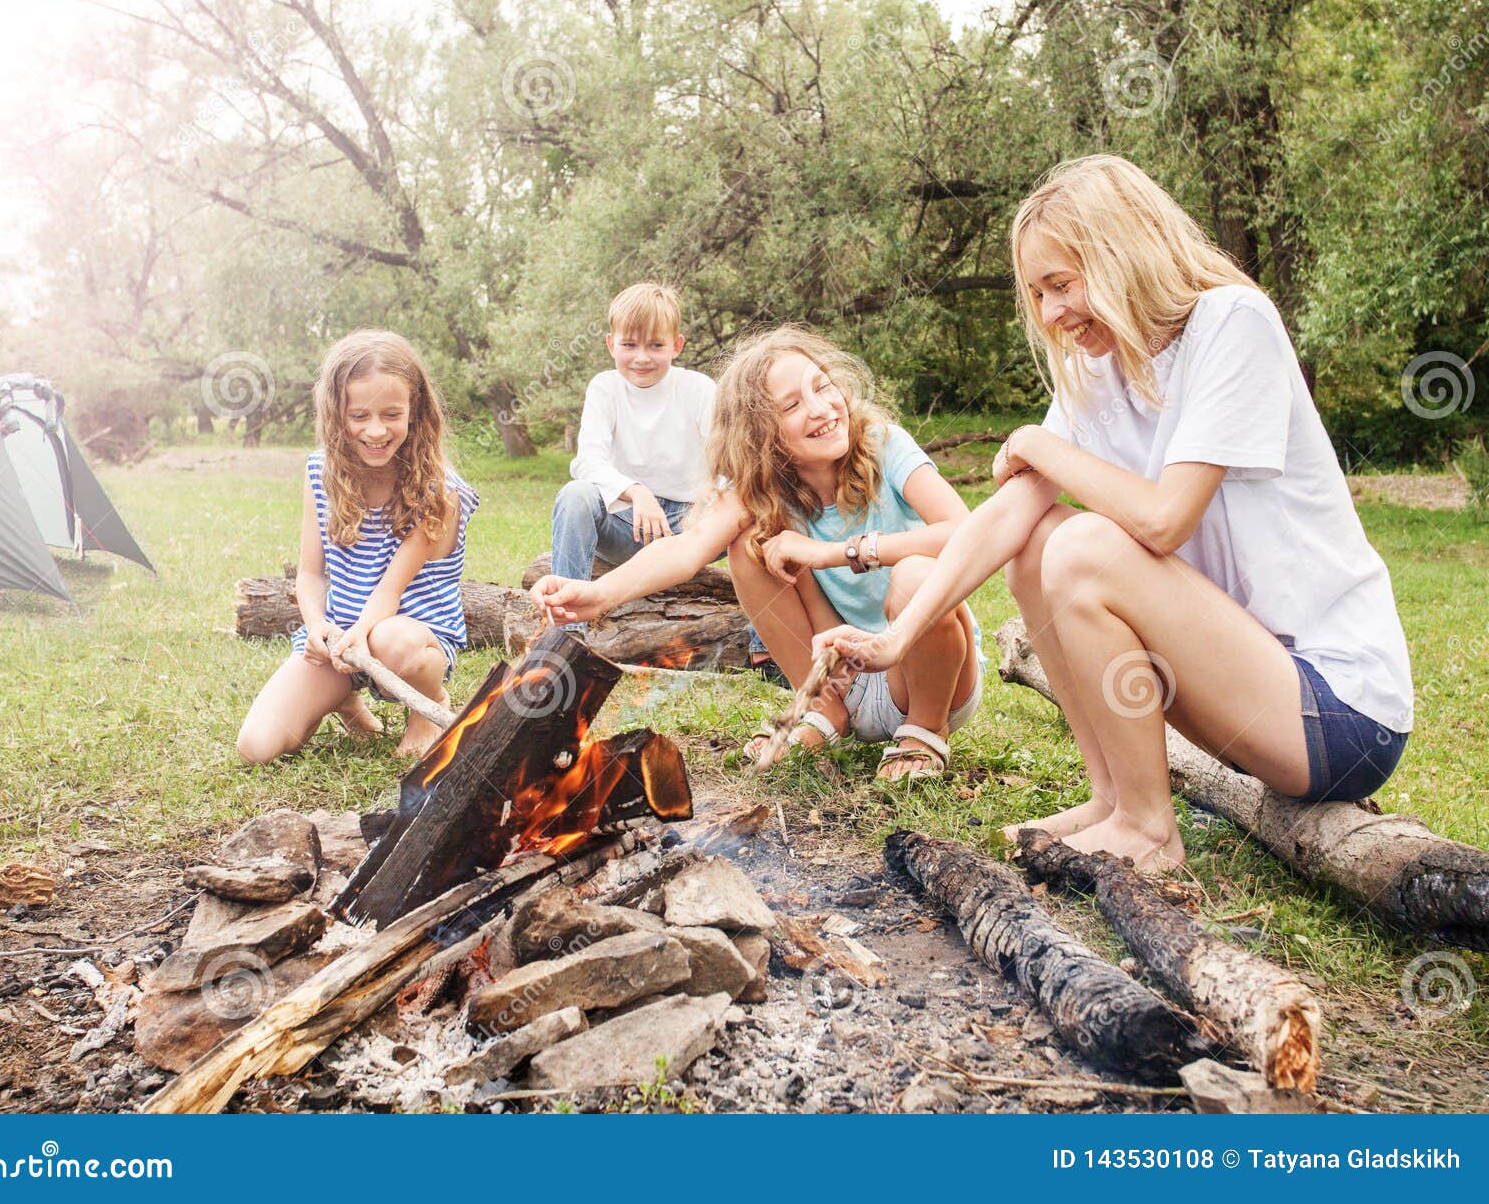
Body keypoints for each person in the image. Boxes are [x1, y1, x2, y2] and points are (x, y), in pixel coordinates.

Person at [815, 154, 1413, 871]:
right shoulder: (1101, 371)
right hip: (1244, 688)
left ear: (1121, 254)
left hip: (1338, 713)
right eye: (1037, 294)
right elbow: (1005, 518)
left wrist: (1038, 442)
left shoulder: (1232, 321)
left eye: (1062, 285)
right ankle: (1112, 800)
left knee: (1082, 547)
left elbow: (1165, 519)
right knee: (1037, 539)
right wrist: (897, 636)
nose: (1051, 315)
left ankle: (1148, 829)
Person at [534, 325, 984, 783]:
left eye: (822, 385)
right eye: (791, 405)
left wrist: (834, 552)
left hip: (925, 673)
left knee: (914, 575)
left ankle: (924, 731)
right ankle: (824, 713)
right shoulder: (763, 487)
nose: (821, 408)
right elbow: (688, 549)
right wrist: (598, 593)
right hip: (840, 673)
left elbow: (968, 534)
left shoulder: (884, 446)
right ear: (760, 434)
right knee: (748, 548)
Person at [237, 329, 478, 764]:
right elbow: (310, 574)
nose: (375, 430)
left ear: (415, 409)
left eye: (391, 414)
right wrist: (316, 627)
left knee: (392, 641)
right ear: (336, 413)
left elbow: (389, 591)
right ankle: (346, 700)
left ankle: (430, 703)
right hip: (340, 642)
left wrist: (360, 636)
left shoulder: (440, 490)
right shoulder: (320, 471)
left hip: (408, 635)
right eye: (359, 415)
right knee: (256, 747)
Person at [552, 282, 775, 674]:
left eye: (656, 346)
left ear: (677, 345)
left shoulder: (697, 389)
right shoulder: (605, 388)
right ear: (610, 344)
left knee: (757, 510)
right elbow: (589, 460)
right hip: (627, 523)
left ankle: (767, 650)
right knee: (575, 496)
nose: (642, 358)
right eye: (629, 345)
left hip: (690, 523)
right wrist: (635, 491)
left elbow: (729, 463)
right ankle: (568, 638)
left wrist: (710, 511)